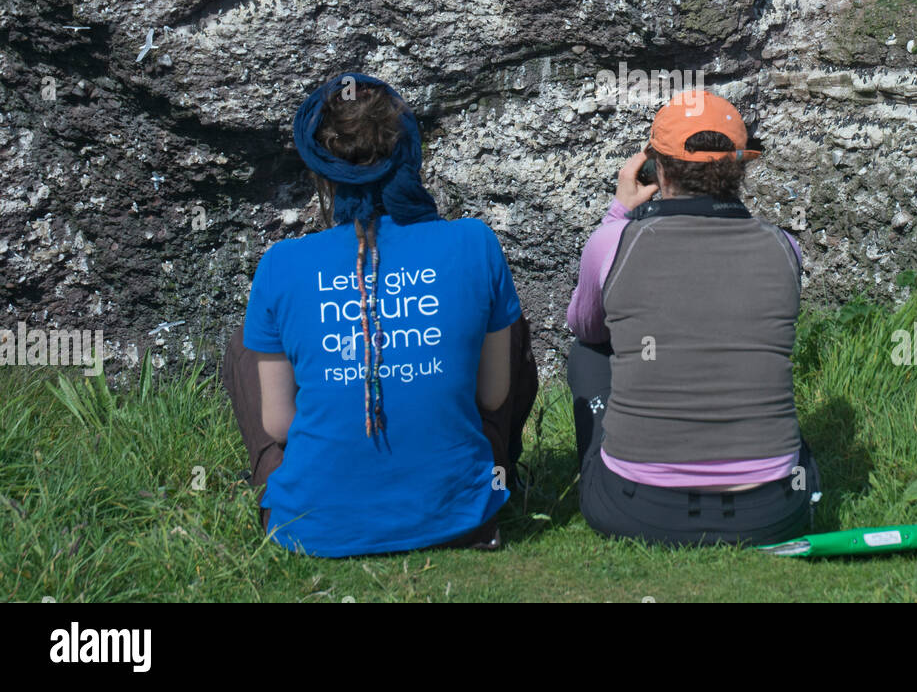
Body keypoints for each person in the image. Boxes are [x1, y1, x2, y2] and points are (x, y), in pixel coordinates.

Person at [220, 72, 536, 557]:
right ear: (409, 151)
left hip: (311, 529)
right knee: (505, 321)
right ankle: (476, 494)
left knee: (247, 342)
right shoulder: (475, 242)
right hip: (459, 520)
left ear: (323, 171)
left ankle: (294, 495)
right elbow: (493, 396)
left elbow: (280, 425)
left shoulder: (280, 264)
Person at [566, 89, 820, 547]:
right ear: (741, 168)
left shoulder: (613, 242)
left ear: (656, 168)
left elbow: (586, 328)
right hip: (773, 510)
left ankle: (606, 467)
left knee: (587, 351)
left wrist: (617, 213)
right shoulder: (785, 247)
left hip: (634, 508)